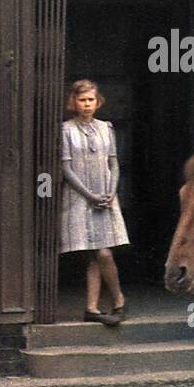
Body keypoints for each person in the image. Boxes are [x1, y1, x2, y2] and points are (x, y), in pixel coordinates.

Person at [60, 79, 129, 326]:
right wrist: (89, 195)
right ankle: (112, 301)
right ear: (74, 102)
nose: (87, 105)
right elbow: (66, 168)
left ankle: (98, 305)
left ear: (97, 102)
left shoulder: (105, 128)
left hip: (106, 198)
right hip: (81, 198)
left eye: (91, 100)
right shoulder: (66, 130)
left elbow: (113, 163)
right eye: (82, 100)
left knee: (101, 252)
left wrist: (111, 192)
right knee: (95, 253)